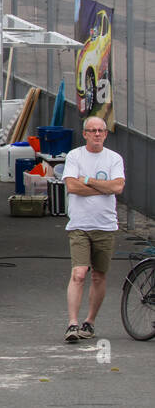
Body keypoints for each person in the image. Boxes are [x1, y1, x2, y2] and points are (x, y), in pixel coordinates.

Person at [62, 116, 126, 343]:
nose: (97, 134)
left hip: (105, 225)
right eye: (92, 130)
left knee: (99, 276)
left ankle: (89, 322)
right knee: (79, 273)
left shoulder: (114, 159)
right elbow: (71, 186)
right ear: (85, 133)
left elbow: (117, 186)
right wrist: (103, 189)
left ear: (106, 134)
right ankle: (72, 323)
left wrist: (88, 180)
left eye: (101, 130)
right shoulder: (75, 156)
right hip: (80, 225)